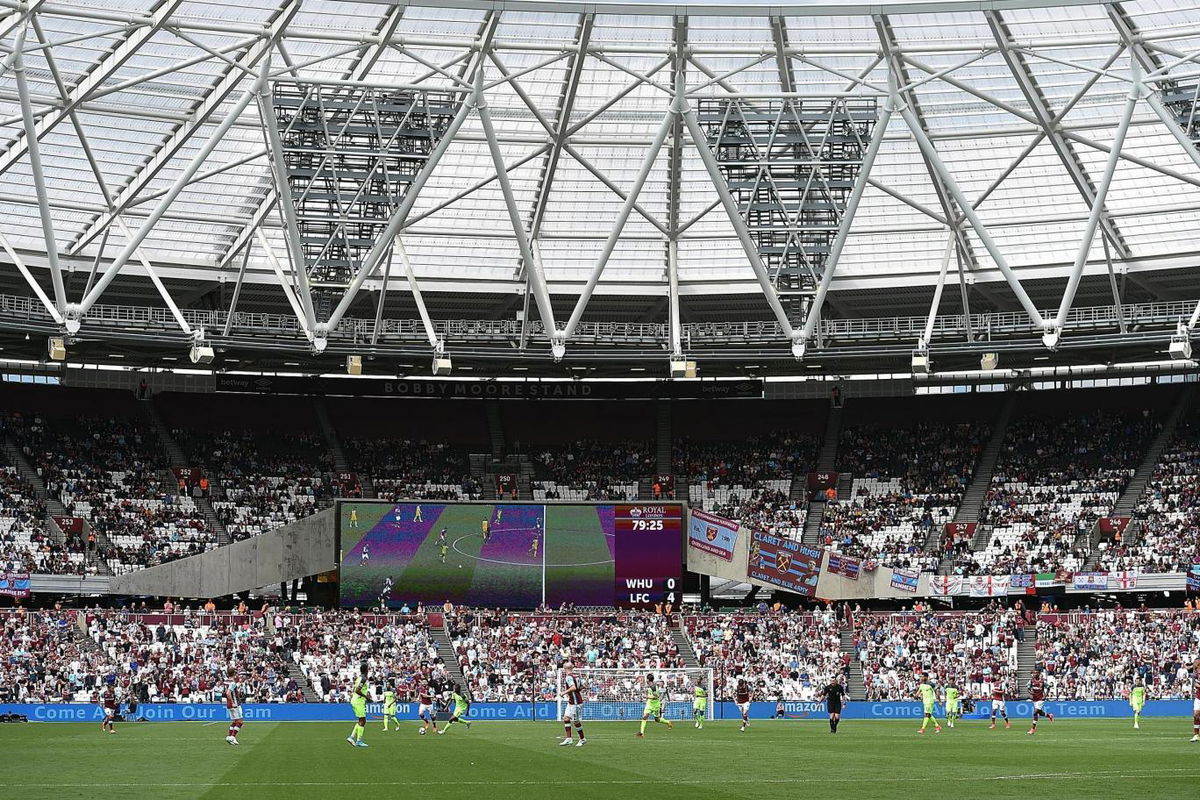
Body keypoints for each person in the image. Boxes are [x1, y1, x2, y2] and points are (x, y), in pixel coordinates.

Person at [558, 664, 586, 746]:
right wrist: (577, 690)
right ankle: (569, 738)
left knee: (576, 721)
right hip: (571, 701)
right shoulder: (577, 676)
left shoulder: (569, 677)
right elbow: (584, 685)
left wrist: (564, 692)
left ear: (565, 668)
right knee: (566, 718)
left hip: (576, 702)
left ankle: (582, 739)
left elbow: (573, 687)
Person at [347, 663, 370, 747]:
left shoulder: (359, 678)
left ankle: (352, 737)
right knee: (363, 721)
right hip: (358, 701)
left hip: (356, 700)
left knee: (361, 720)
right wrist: (366, 697)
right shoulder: (363, 679)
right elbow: (357, 690)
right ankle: (358, 740)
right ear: (366, 670)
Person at [1027, 670, 1054, 735]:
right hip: (1034, 699)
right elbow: (1028, 688)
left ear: (1039, 674)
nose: (1034, 674)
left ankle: (1033, 729)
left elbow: (1048, 688)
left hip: (1041, 698)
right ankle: (1049, 715)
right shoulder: (1031, 681)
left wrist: (1045, 695)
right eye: (1034, 673)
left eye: (1036, 673)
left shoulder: (1042, 681)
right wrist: (1031, 693)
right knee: (1039, 712)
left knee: (1035, 712)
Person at [223, 668, 244, 746]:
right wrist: (233, 703)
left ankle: (229, 737)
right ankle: (233, 736)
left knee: (235, 721)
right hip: (234, 704)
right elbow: (228, 693)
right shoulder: (232, 683)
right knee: (240, 722)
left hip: (228, 704)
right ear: (234, 673)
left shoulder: (226, 681)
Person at [1190, 657, 1200, 742]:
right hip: (1198, 697)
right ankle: (1196, 735)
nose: (1194, 664)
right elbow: (1196, 684)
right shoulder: (1196, 673)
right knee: (1196, 715)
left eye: (1195, 662)